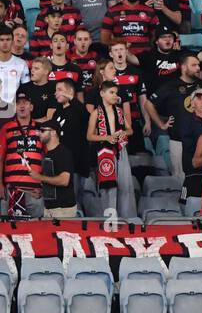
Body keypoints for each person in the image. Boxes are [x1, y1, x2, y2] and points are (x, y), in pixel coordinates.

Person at [87, 81, 133, 218]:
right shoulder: (96, 113)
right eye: (111, 92)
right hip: (104, 152)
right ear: (102, 94)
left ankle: (125, 218)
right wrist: (106, 138)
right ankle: (108, 218)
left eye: (116, 93)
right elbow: (89, 136)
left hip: (120, 151)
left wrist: (124, 133)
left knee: (125, 185)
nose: (115, 95)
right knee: (108, 188)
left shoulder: (119, 111)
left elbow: (130, 129)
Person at [29, 123, 77, 217]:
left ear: (53, 132)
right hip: (49, 209)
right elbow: (52, 182)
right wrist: (42, 192)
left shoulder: (63, 152)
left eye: (43, 131)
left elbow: (64, 180)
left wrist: (39, 177)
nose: (39, 134)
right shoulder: (48, 154)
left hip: (63, 210)